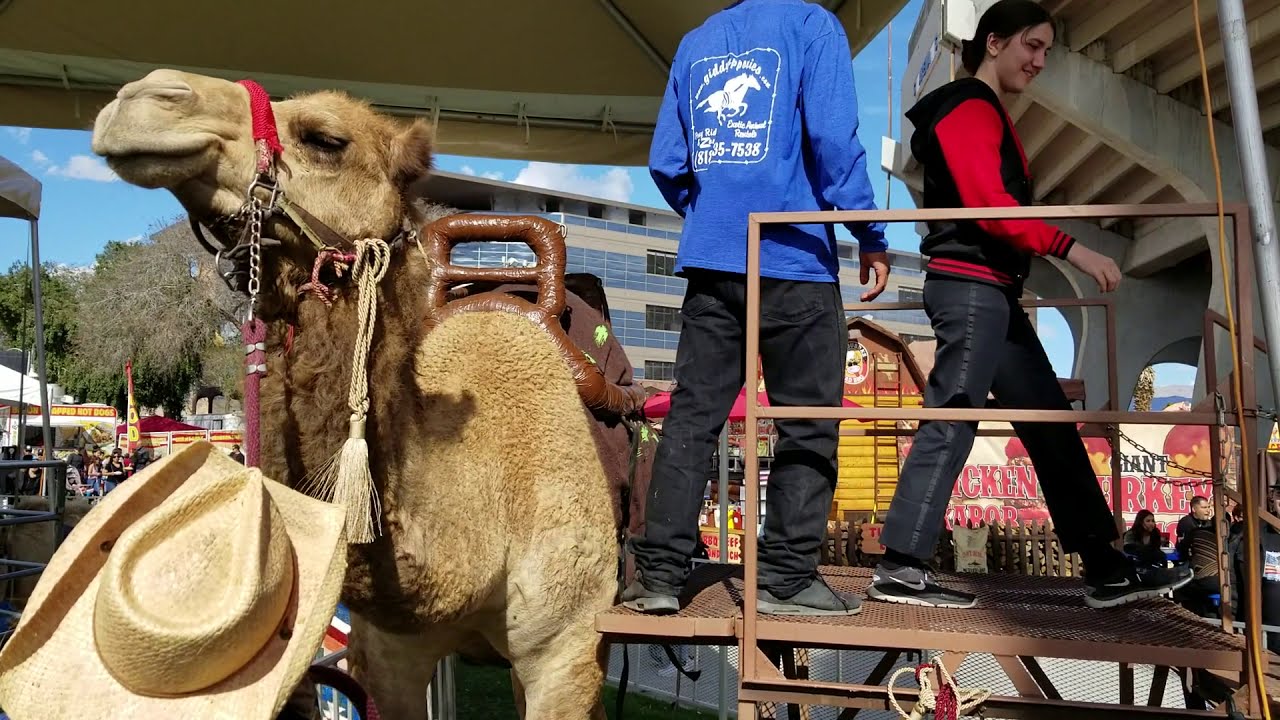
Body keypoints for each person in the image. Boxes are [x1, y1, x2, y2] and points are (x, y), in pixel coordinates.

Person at [865, 0, 1191, 610]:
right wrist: (1076, 249)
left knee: (1049, 423)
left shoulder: (982, 109)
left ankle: (1105, 568)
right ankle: (900, 566)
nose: (1040, 61)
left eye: (1046, 50)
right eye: (1031, 45)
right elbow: (990, 207)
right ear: (993, 42)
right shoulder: (967, 104)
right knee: (954, 414)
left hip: (993, 292)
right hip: (971, 288)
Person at [622, 0, 890, 617]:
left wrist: (714, 211)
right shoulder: (811, 25)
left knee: (693, 418)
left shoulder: (696, 41)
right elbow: (832, 140)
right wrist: (869, 233)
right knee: (808, 421)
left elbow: (667, 161)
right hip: (794, 258)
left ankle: (658, 576)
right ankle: (786, 578)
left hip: (713, 262)